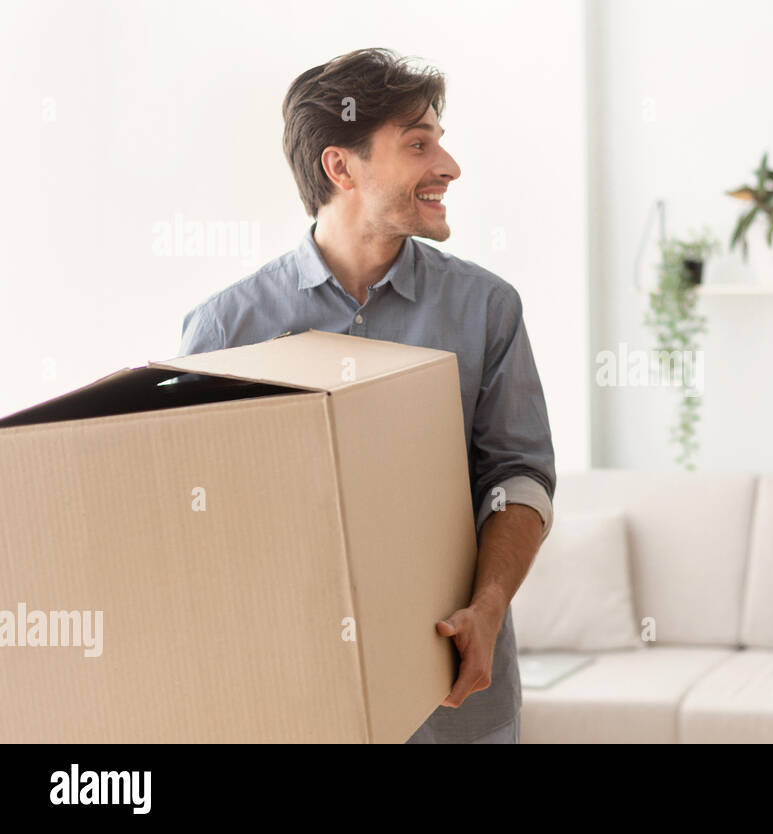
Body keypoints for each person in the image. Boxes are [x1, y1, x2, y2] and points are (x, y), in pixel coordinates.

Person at [179, 48, 555, 744]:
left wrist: (491, 602)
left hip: (456, 694)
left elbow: (520, 476)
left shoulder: (487, 308)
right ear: (341, 167)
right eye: (419, 144)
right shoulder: (227, 330)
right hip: (292, 699)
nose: (448, 165)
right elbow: (199, 517)